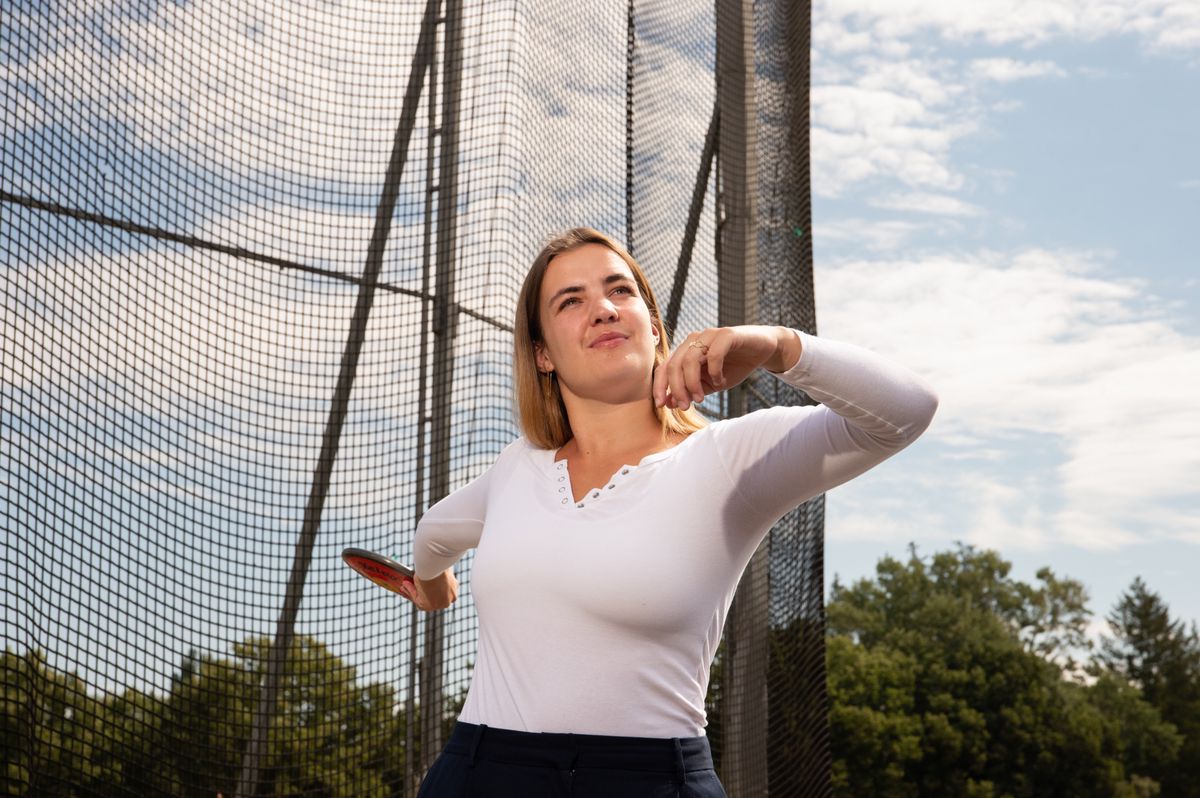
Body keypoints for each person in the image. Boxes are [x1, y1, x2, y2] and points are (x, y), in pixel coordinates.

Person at [398, 227, 938, 797]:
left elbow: (907, 409)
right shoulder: (516, 468)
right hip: (478, 772)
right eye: (571, 301)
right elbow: (435, 533)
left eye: (619, 291)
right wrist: (432, 586)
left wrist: (775, 345)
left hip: (650, 780)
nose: (603, 309)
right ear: (542, 355)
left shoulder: (730, 458)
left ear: (654, 328)